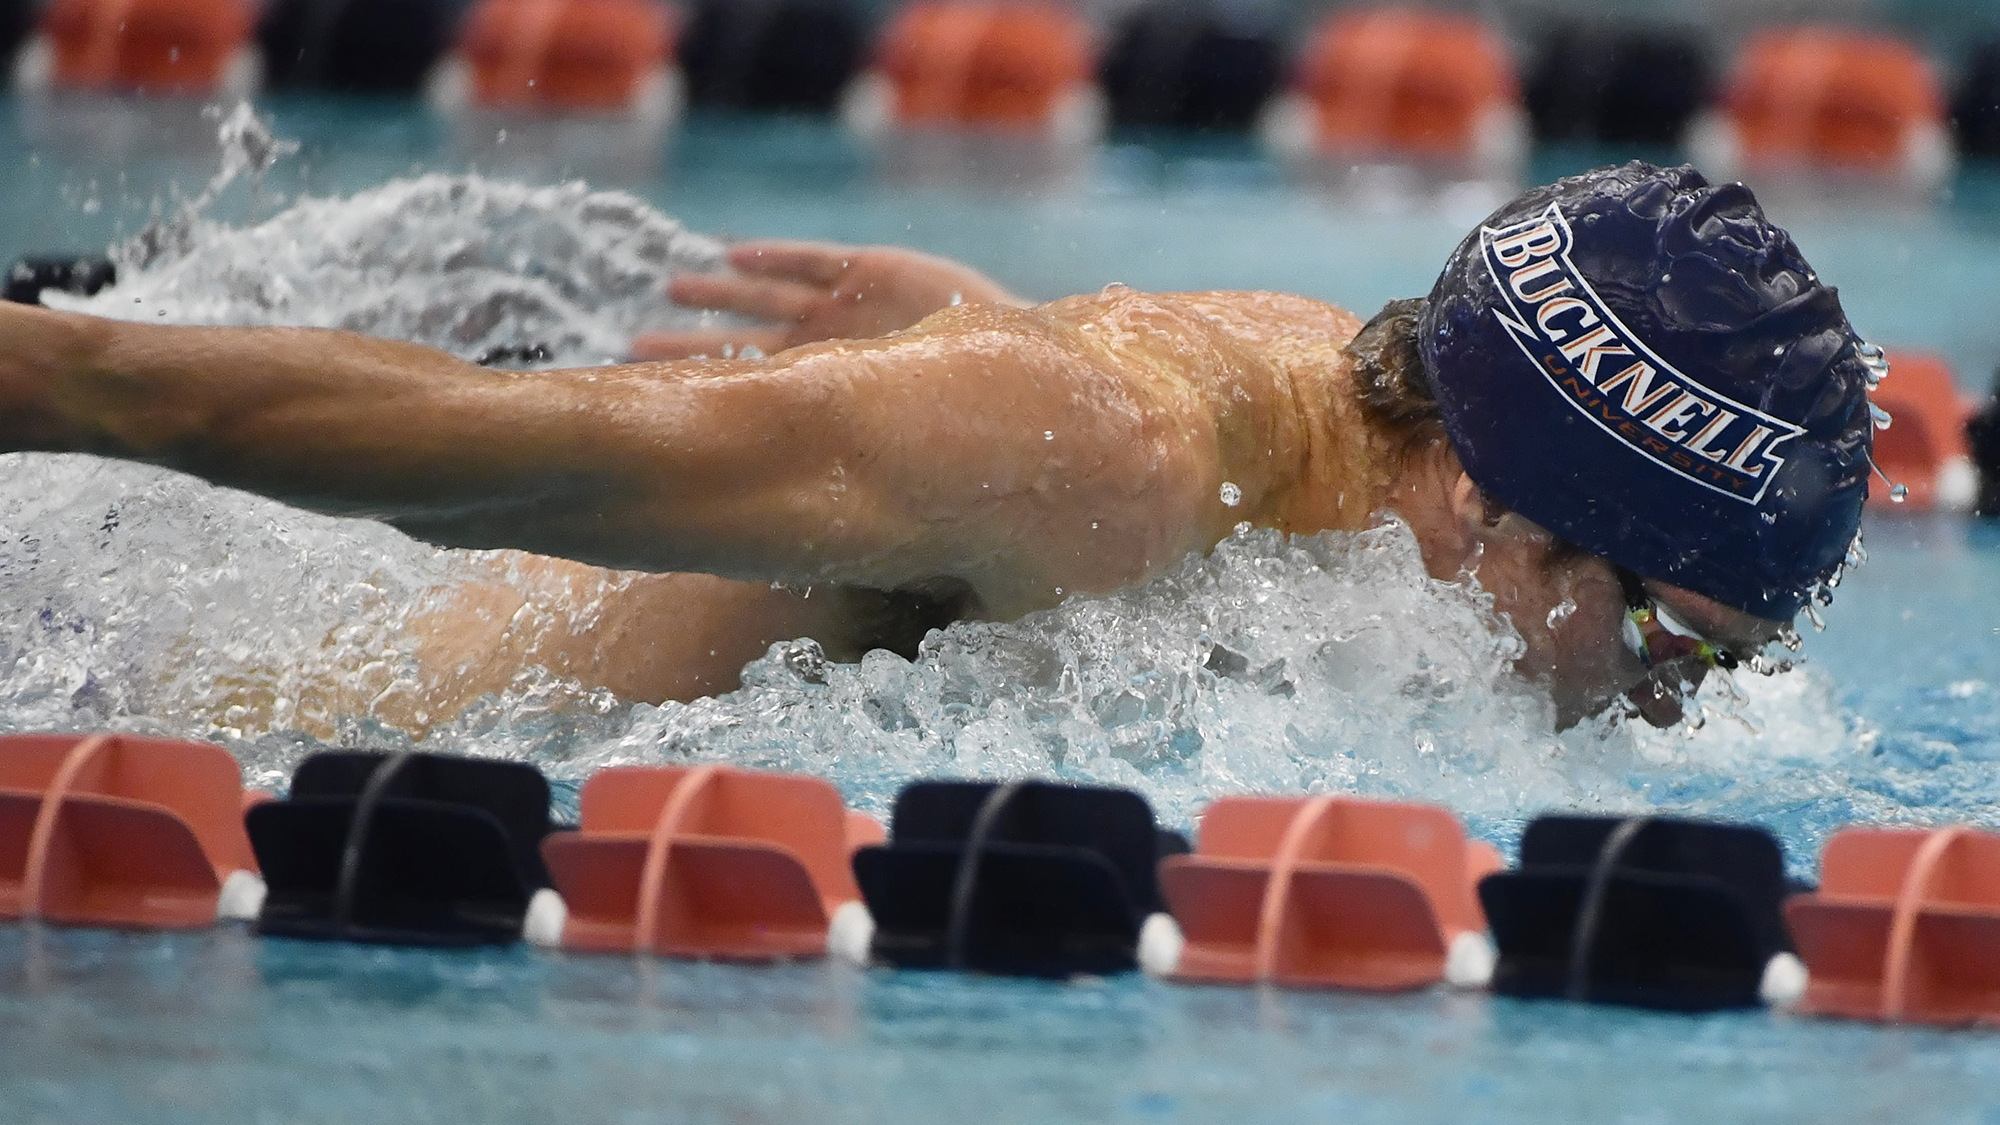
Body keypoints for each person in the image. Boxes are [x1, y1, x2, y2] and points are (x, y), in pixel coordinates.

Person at [0, 162, 1871, 732]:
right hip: (162, 709)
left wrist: (981, 348)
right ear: (1493, 494)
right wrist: (69, 384)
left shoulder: (1354, 421)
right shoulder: (1106, 456)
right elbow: (502, 448)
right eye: (1674, 647)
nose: (1671, 714)